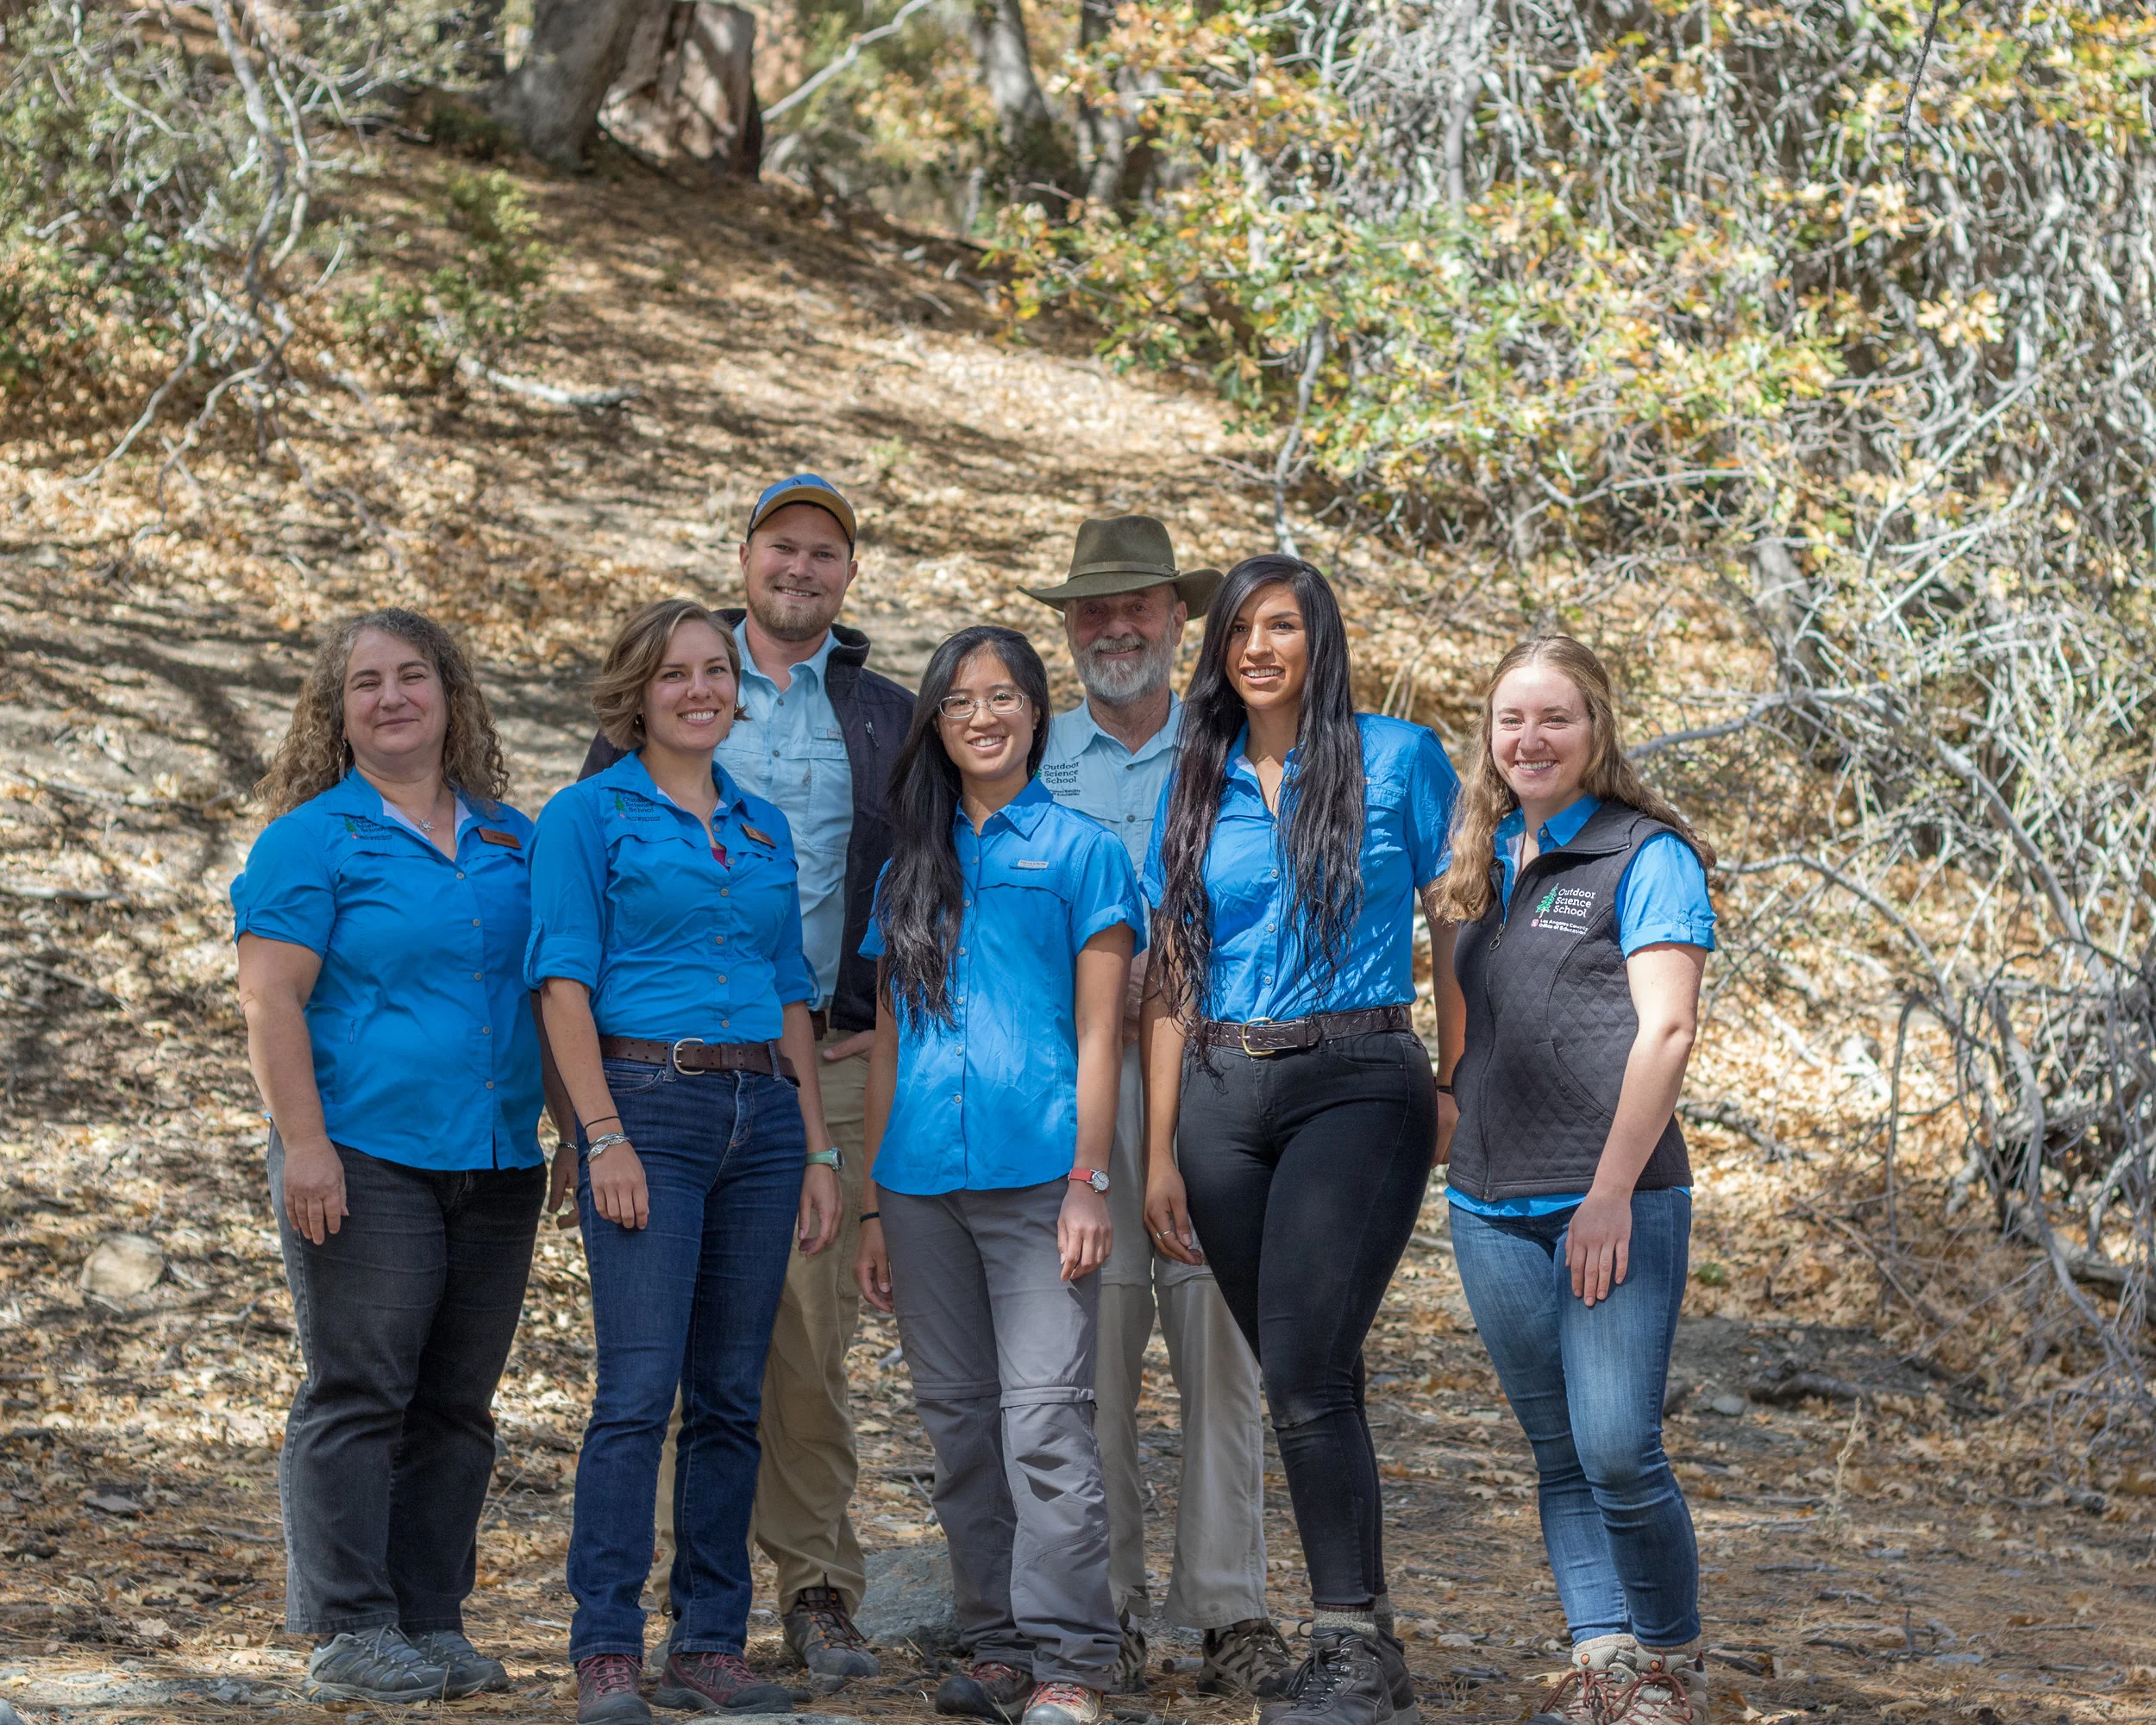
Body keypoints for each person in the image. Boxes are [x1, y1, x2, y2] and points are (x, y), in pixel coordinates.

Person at [580, 474, 911, 1677]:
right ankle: (639, 1622)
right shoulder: (648, 721)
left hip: (815, 1064)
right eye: (783, 546)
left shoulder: (884, 715)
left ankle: (810, 1586)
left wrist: (885, 1015)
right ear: (746, 556)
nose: (802, 568)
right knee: (656, 1365)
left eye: (826, 552)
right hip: (658, 1080)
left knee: (801, 1345)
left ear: (848, 575)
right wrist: (597, 1117)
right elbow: (581, 921)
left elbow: (921, 876)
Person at [1139, 556, 1463, 1725]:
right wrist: (1164, 1146)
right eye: (1240, 629)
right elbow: (1169, 972)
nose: (1260, 646)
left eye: (1284, 625)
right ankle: (1369, 1631)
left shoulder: (1401, 758)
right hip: (1224, 1088)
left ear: (1320, 639)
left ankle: (1344, 1645)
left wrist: (1456, 1076)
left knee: (1306, 1373)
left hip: (1359, 1075)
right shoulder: (1197, 776)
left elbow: (1454, 918)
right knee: (1309, 1367)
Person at [232, 609, 556, 1706]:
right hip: (362, 1153)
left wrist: (580, 1133)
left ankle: (428, 1616)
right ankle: (348, 1626)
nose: (391, 697)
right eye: (364, 683)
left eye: (412, 675)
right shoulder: (312, 839)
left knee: (458, 1402)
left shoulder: (517, 839)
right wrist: (305, 1145)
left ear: (451, 695)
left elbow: (552, 1000)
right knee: (360, 1389)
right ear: (337, 713)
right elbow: (270, 998)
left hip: (501, 1158)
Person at [530, 599, 845, 1724]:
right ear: (637, 693)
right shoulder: (585, 816)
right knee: (638, 1390)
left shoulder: (764, 828)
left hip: (762, 1116)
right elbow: (562, 982)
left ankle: (711, 1642)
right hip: (649, 1108)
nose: (702, 689)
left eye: (719, 672)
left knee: (729, 1394)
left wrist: (816, 1147)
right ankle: (606, 1642)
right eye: (677, 674)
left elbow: (794, 996)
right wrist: (599, 1130)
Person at [853, 626, 1141, 1725]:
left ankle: (1074, 1656)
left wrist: (1088, 1181)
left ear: (1035, 711)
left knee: (1047, 1423)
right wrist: (877, 1200)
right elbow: (885, 1038)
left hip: (1038, 1179)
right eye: (960, 699)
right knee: (959, 1422)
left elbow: (1103, 1032)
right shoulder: (906, 864)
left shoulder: (1081, 851)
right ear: (934, 720)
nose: (982, 715)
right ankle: (996, 1643)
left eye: (1004, 695)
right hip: (921, 1183)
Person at [1024, 517, 1288, 1697]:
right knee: (1093, 1355)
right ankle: (1108, 1606)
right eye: (1093, 610)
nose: (1115, 627)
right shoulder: (1032, 756)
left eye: (1138, 605)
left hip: (1222, 1080)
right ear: (1070, 628)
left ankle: (1232, 1609)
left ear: (1180, 620)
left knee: (1221, 1342)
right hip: (1081, 1090)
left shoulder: (1231, 751)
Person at [1433, 637, 1716, 1725]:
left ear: (1596, 728)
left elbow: (1669, 1027)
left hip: (1612, 1198)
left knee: (1618, 1447)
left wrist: (1608, 1191)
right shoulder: (1487, 854)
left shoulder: (1646, 854)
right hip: (1487, 1203)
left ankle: (1669, 1669)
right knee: (1557, 1449)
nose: (1529, 739)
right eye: (1511, 719)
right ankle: (1601, 1666)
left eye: (1554, 718)